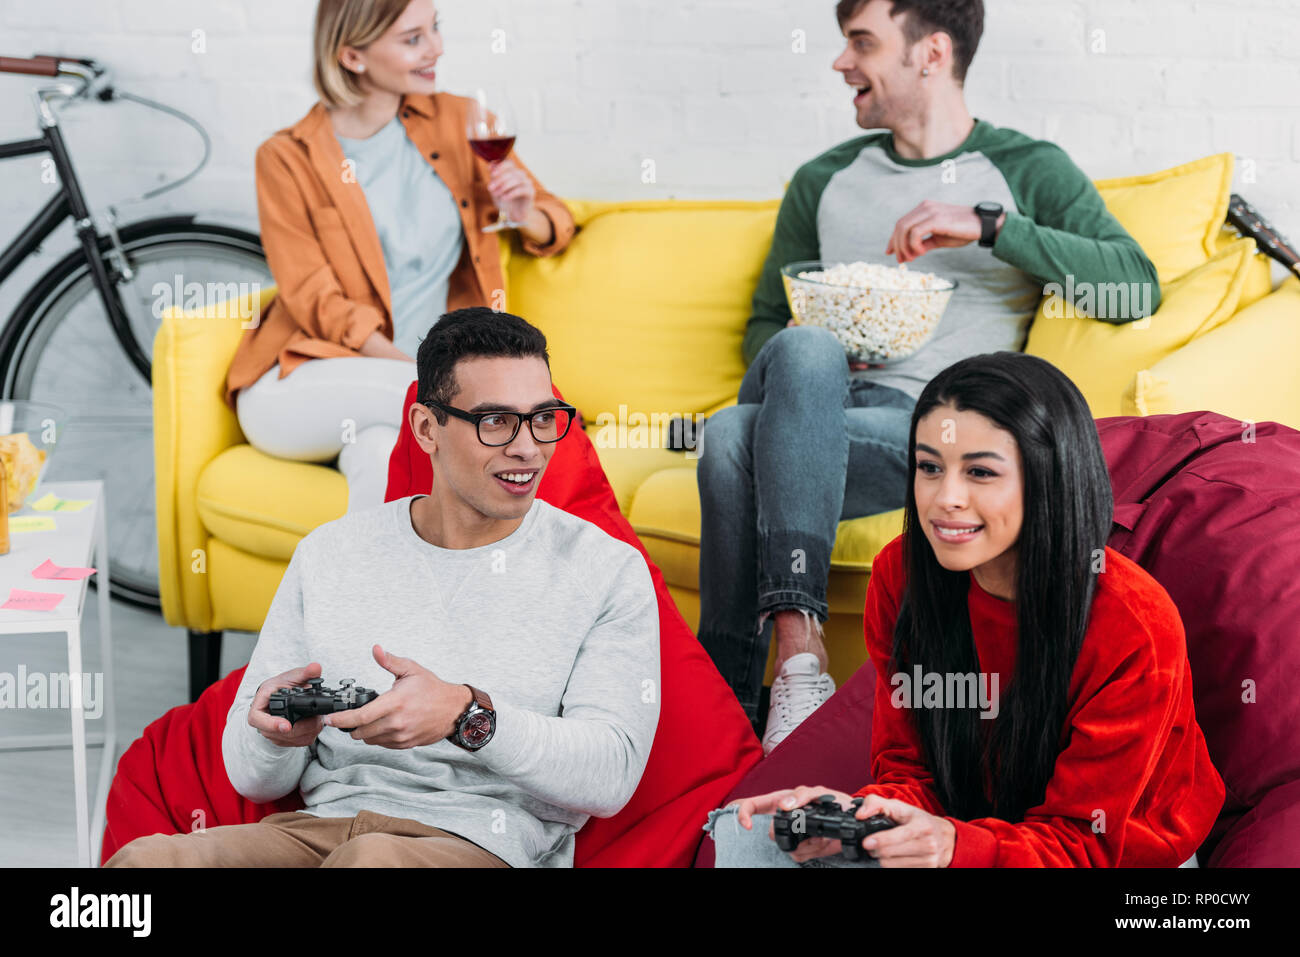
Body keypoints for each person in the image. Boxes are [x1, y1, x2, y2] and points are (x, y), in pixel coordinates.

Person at [695, 0, 1160, 752]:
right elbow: (760, 324)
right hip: (809, 404)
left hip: (923, 431)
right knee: (807, 351)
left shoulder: (1025, 169)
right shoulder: (823, 180)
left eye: (861, 43)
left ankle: (721, 704)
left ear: (931, 53)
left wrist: (992, 227)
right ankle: (800, 662)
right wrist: (798, 341)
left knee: (727, 437)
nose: (841, 63)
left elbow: (1135, 283)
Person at [107, 309, 661, 868]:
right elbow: (251, 779)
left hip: (480, 845)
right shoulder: (331, 552)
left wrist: (466, 717)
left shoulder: (606, 570)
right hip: (320, 832)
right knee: (146, 863)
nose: (528, 448)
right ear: (426, 429)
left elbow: (611, 774)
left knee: (372, 861)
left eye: (543, 418)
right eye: (495, 421)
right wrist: (278, 735)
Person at [704, 352, 1224, 867]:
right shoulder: (902, 577)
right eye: (930, 467)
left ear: (1048, 479)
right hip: (971, 825)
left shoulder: (1133, 624)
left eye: (979, 472)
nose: (944, 498)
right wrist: (865, 817)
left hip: (1110, 854)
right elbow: (909, 770)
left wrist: (954, 846)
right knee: (755, 839)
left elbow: (1083, 844)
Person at [224, 0, 575, 511]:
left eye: (434, 29)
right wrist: (426, 370)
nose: (436, 48)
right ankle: (576, 543)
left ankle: (374, 592)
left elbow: (553, 220)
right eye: (412, 38)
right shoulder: (286, 158)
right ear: (353, 56)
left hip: (400, 397)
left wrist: (521, 211)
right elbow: (313, 297)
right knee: (490, 408)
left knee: (383, 460)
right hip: (301, 383)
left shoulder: (462, 122)